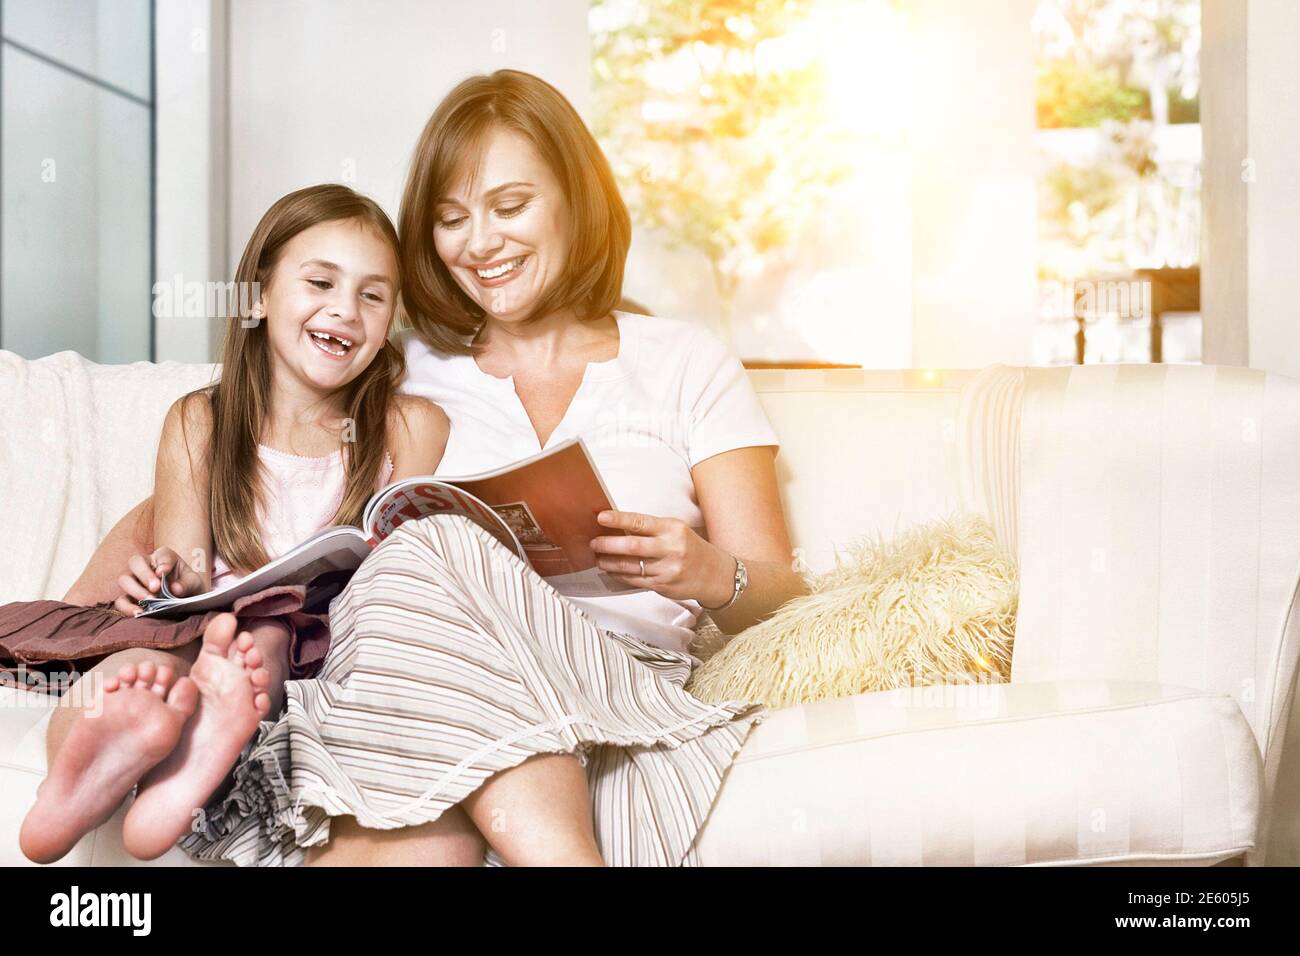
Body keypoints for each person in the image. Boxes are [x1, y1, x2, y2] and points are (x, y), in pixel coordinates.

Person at [67, 70, 808, 867]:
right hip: (412, 687)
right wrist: (110, 597)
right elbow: (243, 459)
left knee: (428, 552)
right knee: (412, 579)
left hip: (609, 678)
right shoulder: (400, 370)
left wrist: (702, 570)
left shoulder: (684, 362)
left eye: (510, 206)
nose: (479, 244)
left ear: (578, 198)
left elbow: (780, 595)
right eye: (452, 219)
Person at [5, 183, 448, 864]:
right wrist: (154, 575)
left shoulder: (409, 425)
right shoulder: (200, 421)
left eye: (373, 295)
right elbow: (184, 570)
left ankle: (195, 752)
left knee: (263, 641)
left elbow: (406, 560)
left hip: (310, 645)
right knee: (138, 666)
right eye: (321, 282)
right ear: (260, 296)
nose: (345, 310)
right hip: (204, 627)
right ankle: (82, 771)